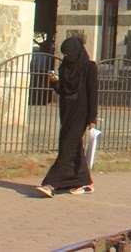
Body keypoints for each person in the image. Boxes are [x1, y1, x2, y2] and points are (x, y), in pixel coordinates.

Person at [36, 37, 98, 197]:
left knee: (67, 145)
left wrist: (92, 118)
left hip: (81, 113)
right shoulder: (65, 67)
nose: (66, 56)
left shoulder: (89, 68)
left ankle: (51, 184)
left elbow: (93, 94)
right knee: (74, 147)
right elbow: (63, 89)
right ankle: (85, 182)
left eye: (69, 53)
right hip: (66, 112)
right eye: (64, 53)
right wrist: (55, 82)